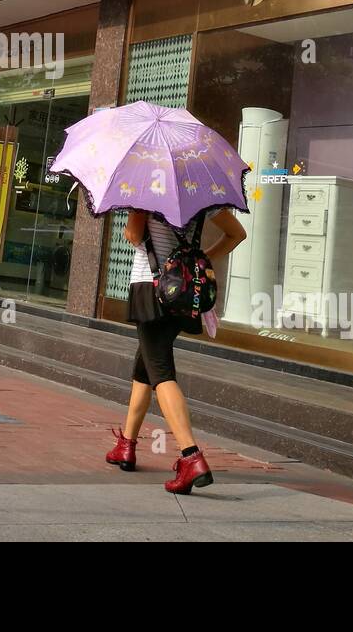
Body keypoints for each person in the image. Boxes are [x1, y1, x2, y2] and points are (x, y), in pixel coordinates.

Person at [105, 205, 247, 494]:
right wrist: (202, 260)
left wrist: (135, 218)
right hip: (182, 293)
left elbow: (133, 234)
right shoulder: (200, 197)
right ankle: (126, 445)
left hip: (151, 288)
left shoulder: (147, 193)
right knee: (145, 365)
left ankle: (190, 456)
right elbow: (237, 234)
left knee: (160, 371)